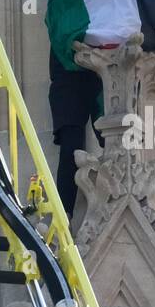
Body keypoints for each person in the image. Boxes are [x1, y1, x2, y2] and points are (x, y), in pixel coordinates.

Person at [48, 48, 104, 218]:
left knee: (117, 142)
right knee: (70, 149)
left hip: (104, 73)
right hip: (69, 77)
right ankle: (64, 216)